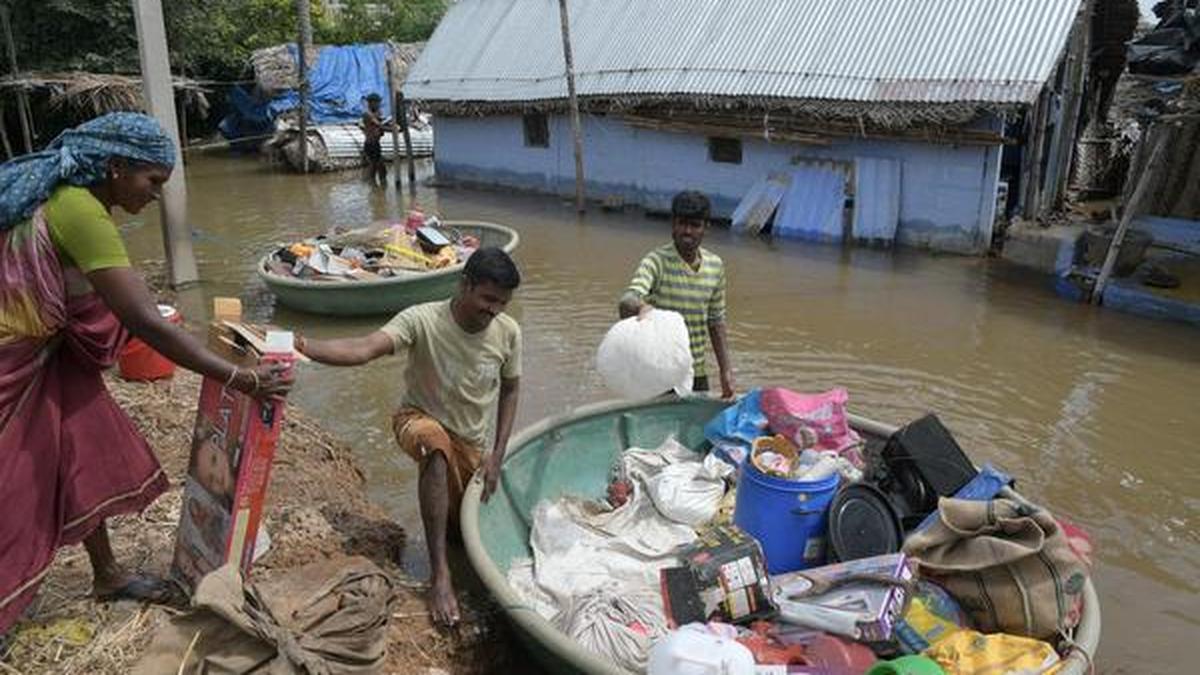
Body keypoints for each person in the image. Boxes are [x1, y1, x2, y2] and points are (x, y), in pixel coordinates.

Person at [0, 112, 293, 635]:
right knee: (14, 481)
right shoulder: (80, 212)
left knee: (80, 450)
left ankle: (107, 574)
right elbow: (143, 321)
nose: (157, 194)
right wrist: (241, 377)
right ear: (114, 168)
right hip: (14, 360)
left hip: (45, 354)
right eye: (152, 180)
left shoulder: (74, 203)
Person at [295, 247, 521, 627]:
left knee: (461, 535)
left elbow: (511, 389)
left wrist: (497, 454)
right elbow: (363, 349)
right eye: (487, 299)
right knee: (434, 445)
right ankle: (439, 578)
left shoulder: (508, 332)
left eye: (501, 303)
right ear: (464, 285)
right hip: (417, 420)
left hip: (472, 443)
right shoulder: (422, 320)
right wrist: (301, 346)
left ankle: (453, 563)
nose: (493, 310)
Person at [619, 190, 735, 398]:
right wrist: (640, 307)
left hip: (696, 372)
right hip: (658, 372)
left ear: (706, 228)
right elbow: (627, 300)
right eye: (682, 223)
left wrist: (725, 371)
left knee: (696, 429)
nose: (687, 231)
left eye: (695, 225)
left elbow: (716, 321)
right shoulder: (656, 261)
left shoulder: (715, 266)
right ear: (673, 224)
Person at [361, 93, 395, 187]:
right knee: (376, 166)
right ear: (371, 103)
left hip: (376, 144)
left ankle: (377, 189)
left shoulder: (377, 113)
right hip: (370, 144)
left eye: (379, 103)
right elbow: (379, 125)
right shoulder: (367, 114)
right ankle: (373, 187)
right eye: (377, 103)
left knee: (379, 167)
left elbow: (382, 122)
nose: (379, 105)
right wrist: (392, 130)